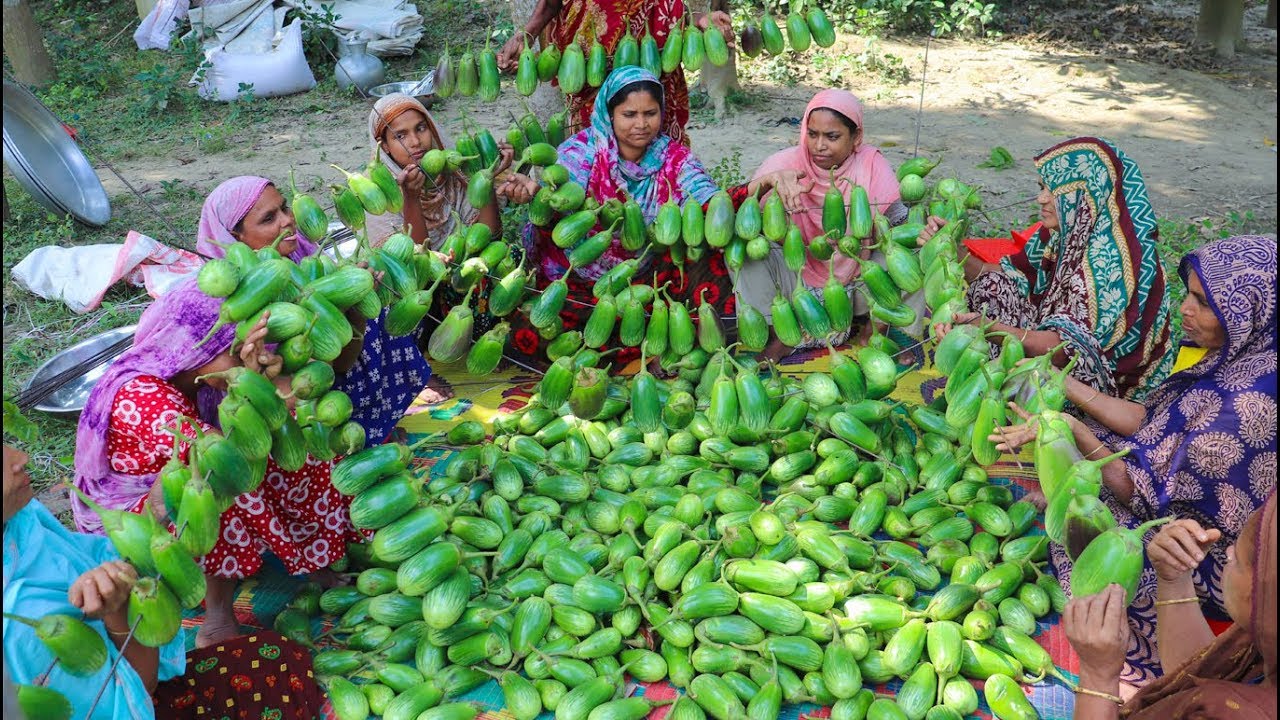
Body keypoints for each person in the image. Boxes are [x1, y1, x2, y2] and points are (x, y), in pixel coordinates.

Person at [992, 234, 1278, 684]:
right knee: (1077, 453)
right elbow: (1150, 422)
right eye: (1189, 294)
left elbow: (1149, 500)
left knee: (1087, 540)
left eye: (1203, 302)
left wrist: (1075, 436)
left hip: (1206, 550)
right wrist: (1060, 381)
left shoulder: (1249, 406)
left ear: (1250, 312)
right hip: (1170, 488)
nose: (1184, 308)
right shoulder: (1248, 356)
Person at [70, 279, 365, 649]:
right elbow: (214, 455)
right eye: (231, 349)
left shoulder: (201, 381)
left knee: (297, 443)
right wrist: (255, 386)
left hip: (187, 471)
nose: (243, 355)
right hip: (134, 521)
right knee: (211, 487)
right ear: (189, 351)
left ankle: (312, 556)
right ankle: (216, 619)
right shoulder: (141, 397)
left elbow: (278, 413)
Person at [499, 66, 799, 368]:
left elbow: (709, 205)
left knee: (710, 263)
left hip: (653, 275)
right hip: (578, 278)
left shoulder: (673, 157)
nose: (641, 124)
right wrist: (537, 194)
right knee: (531, 333)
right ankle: (657, 347)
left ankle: (661, 344)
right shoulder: (580, 153)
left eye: (650, 113)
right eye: (629, 114)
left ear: (662, 112)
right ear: (609, 113)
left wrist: (757, 186)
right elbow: (560, 212)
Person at [5, 444, 325, 719]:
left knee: (278, 656)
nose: (20, 457)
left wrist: (154, 516)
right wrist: (117, 613)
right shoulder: (21, 629)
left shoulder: (17, 521)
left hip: (129, 664)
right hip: (134, 694)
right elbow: (137, 693)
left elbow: (113, 558)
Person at [926, 137, 1174, 401]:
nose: (1040, 199)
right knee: (992, 286)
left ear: (1087, 194)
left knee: (1051, 370)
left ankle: (1016, 398)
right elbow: (1011, 277)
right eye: (1041, 187)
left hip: (1110, 386)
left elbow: (1069, 350)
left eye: (1053, 191)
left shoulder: (1113, 262)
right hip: (1057, 342)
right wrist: (954, 250)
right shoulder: (1065, 234)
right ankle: (1003, 382)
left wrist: (989, 329)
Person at [195, 176, 432, 440]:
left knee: (378, 313)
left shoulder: (302, 257)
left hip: (323, 369)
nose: (287, 220)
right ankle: (345, 441)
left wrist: (353, 304)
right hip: (266, 412)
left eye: (284, 208)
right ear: (234, 237)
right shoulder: (219, 301)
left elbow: (338, 359)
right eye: (268, 219)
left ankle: (373, 426)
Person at [736, 89, 919, 361]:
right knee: (745, 249)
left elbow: (898, 222)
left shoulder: (870, 165)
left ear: (856, 137)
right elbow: (742, 217)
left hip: (858, 278)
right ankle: (778, 334)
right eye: (812, 134)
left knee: (913, 252)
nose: (819, 145)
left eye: (832, 137)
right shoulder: (783, 166)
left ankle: (881, 326)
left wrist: (917, 234)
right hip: (794, 278)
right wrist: (767, 187)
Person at [1063, 491, 1275, 717]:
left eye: (1240, 561)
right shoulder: (1263, 640)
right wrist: (1174, 579)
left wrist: (1097, 678)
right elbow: (1197, 677)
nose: (1229, 552)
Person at [364, 94, 515, 400]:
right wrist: (409, 199)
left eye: (421, 128)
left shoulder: (455, 169)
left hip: (455, 280)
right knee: (391, 285)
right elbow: (409, 255)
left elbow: (490, 234)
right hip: (413, 284)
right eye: (400, 136)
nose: (415, 142)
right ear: (384, 148)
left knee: (492, 264)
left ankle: (482, 340)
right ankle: (414, 367)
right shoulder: (377, 190)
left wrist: (486, 176)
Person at [496, 0, 733, 146]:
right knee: (596, 155)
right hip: (589, 74)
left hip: (655, 71)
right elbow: (550, 3)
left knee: (656, 151)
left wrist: (700, 19)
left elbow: (671, 9)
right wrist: (524, 36)